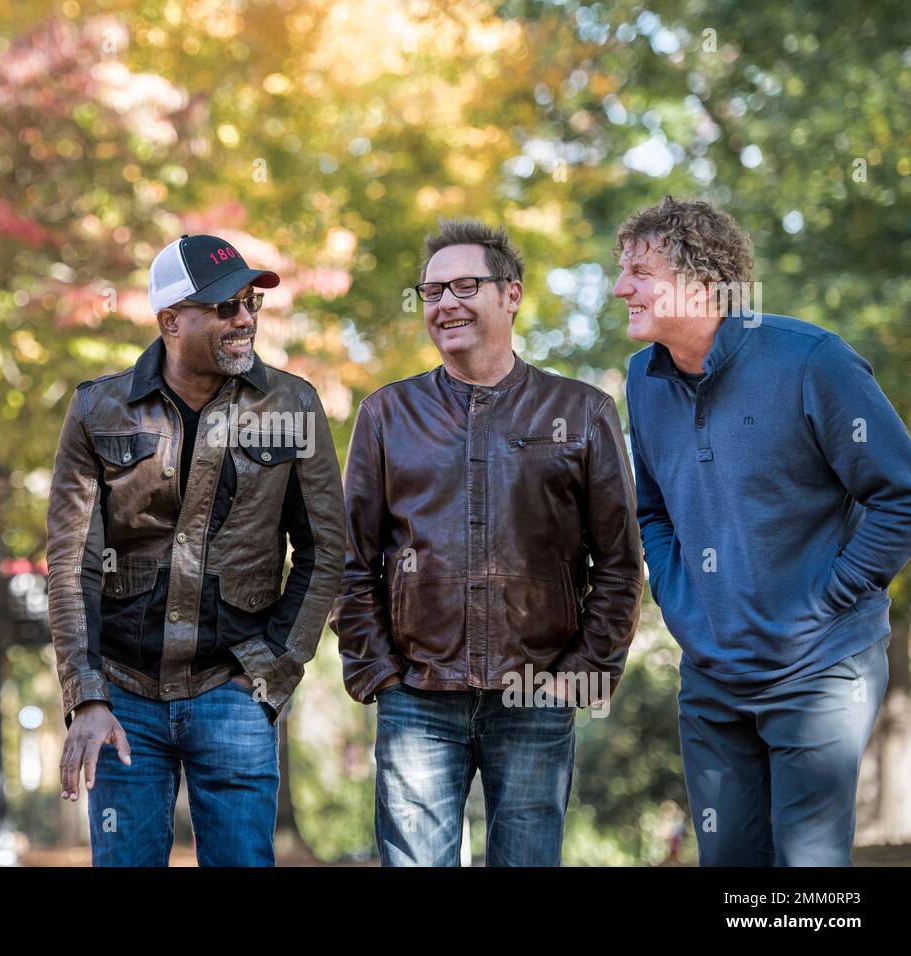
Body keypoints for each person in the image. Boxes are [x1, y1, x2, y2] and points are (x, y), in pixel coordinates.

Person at [333, 218, 643, 866]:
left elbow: (618, 563)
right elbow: (348, 560)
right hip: (416, 697)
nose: (445, 303)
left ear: (512, 294)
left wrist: (578, 677)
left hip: (537, 695)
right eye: (432, 291)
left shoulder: (582, 412)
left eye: (465, 285)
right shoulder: (387, 414)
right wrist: (381, 674)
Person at [615, 195, 911, 865]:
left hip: (822, 665)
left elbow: (900, 493)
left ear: (701, 281)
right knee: (729, 864)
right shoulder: (643, 379)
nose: (619, 287)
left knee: (805, 865)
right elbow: (653, 510)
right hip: (713, 674)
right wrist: (680, 601)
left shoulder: (812, 361)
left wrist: (826, 601)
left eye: (640, 271)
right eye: (621, 270)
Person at [46, 233, 344, 866]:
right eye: (224, 308)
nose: (244, 320)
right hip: (123, 698)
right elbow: (71, 564)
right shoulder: (99, 409)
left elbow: (324, 550)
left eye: (249, 304)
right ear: (170, 321)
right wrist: (87, 696)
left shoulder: (293, 405)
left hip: (233, 691)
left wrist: (269, 673)